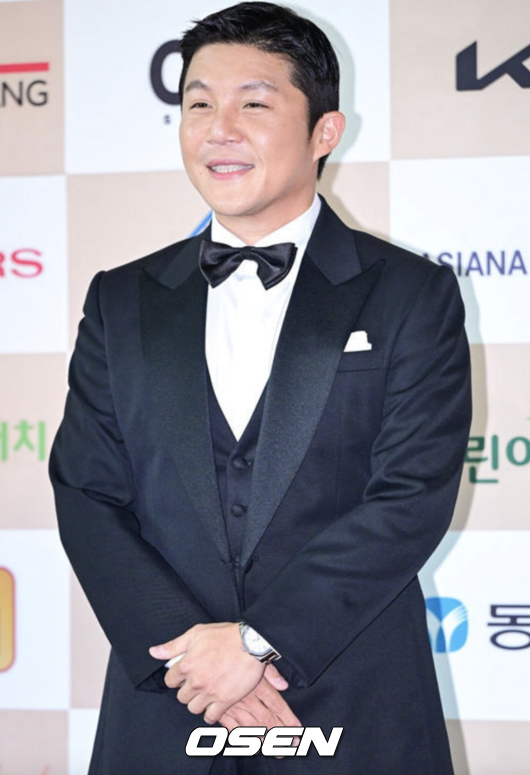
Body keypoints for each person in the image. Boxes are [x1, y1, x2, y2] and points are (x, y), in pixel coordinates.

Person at [49, 3, 472, 773]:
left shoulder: (411, 294)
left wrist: (255, 644)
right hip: (170, 704)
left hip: (353, 702)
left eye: (253, 104)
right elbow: (85, 490)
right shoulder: (122, 299)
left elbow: (411, 495)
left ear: (324, 131)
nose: (219, 130)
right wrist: (197, 660)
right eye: (198, 104)